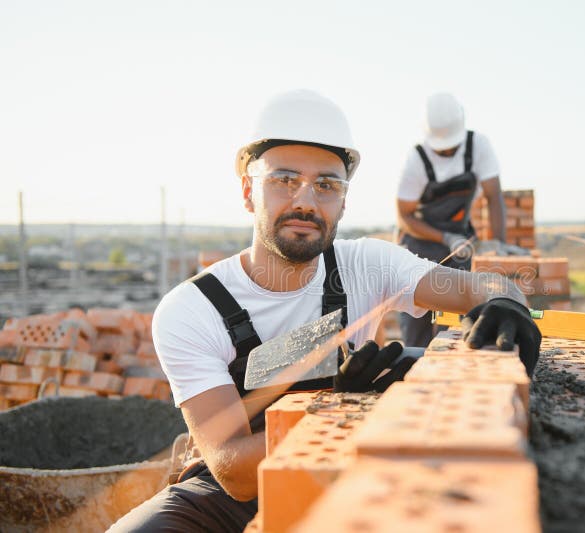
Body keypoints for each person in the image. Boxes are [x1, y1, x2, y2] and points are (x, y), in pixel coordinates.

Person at [109, 89, 540, 532]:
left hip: (352, 462)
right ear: (246, 192)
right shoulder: (193, 309)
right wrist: (343, 405)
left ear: (344, 201)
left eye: (326, 185)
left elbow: (481, 286)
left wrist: (506, 300)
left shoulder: (366, 265)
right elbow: (233, 472)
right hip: (233, 493)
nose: (306, 201)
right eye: (284, 179)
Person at [396, 92, 509, 347]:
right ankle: (416, 374)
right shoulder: (417, 159)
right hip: (419, 244)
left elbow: (494, 197)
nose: (447, 148)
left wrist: (498, 244)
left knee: (460, 319)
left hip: (461, 244)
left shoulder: (478, 146)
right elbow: (404, 217)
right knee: (417, 324)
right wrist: (445, 237)